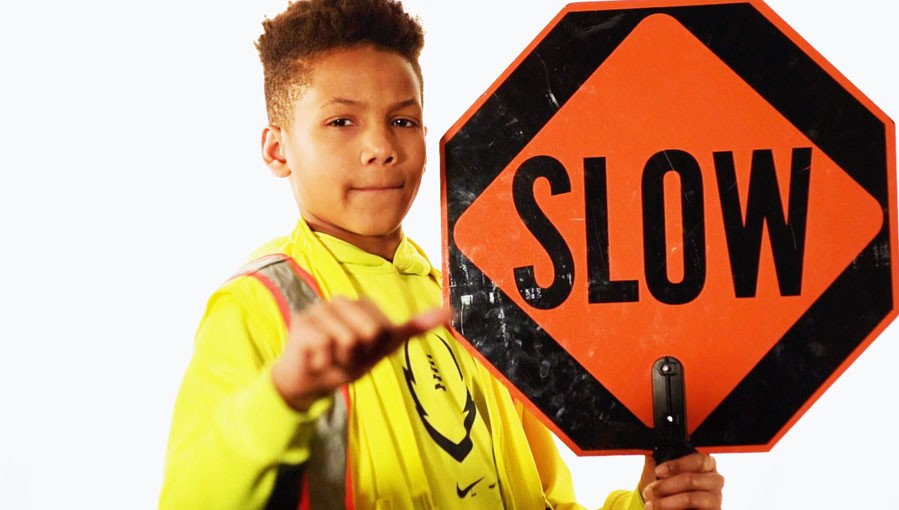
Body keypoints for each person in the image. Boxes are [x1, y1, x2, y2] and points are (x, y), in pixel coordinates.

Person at [159, 0, 725, 508]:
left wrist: (649, 504)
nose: (381, 147)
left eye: (402, 120)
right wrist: (282, 395)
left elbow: (539, 502)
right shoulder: (258, 306)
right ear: (277, 148)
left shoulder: (472, 303)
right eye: (341, 122)